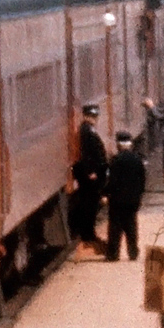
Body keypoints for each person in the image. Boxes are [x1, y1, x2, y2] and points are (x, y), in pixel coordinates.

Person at [69, 105, 108, 250]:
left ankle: (89, 233)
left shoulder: (88, 129)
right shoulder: (86, 131)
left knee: (91, 204)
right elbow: (85, 153)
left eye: (95, 116)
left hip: (92, 173)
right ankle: (88, 235)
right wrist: (91, 171)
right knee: (89, 204)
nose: (94, 119)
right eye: (92, 116)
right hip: (90, 175)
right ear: (85, 116)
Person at [105, 132, 146, 261]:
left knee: (115, 228)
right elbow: (142, 180)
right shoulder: (137, 160)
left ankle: (113, 254)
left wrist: (106, 194)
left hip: (117, 200)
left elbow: (112, 181)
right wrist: (139, 196)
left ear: (118, 144)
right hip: (133, 200)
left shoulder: (116, 160)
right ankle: (133, 252)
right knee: (131, 227)